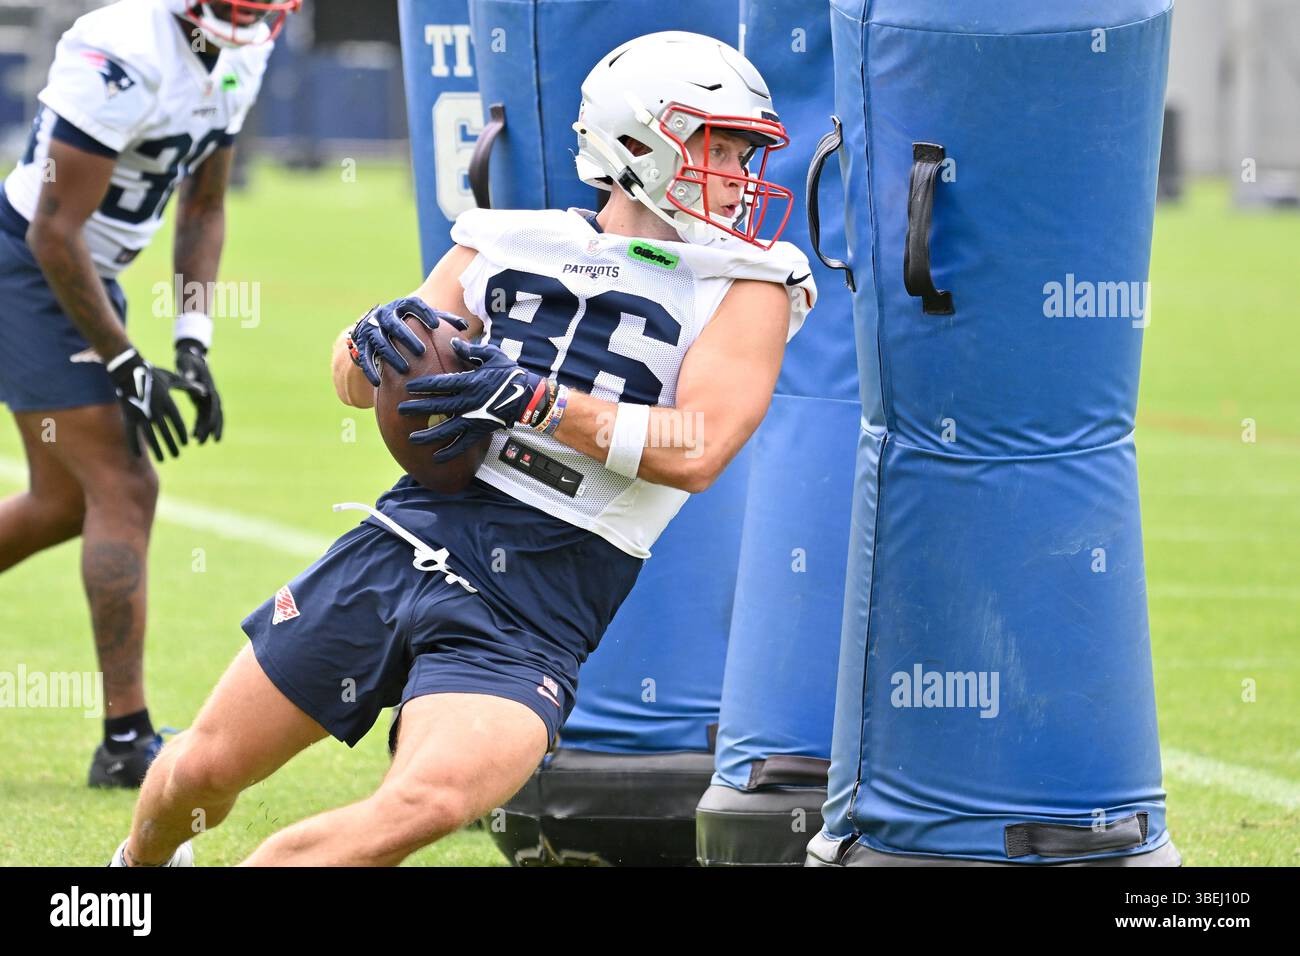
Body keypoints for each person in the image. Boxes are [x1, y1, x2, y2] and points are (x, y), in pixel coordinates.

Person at [110, 29, 817, 866]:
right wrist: (375, 337)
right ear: (636, 140)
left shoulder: (750, 282)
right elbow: (350, 375)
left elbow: (696, 450)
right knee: (196, 773)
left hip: (541, 598)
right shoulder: (507, 239)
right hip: (407, 536)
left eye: (745, 151)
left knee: (426, 802)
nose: (739, 175)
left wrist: (534, 401)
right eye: (719, 146)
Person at [0, 0, 299, 788]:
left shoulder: (242, 49)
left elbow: (203, 204)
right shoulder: (123, 47)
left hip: (88, 274)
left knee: (63, 502)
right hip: (31, 266)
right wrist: (129, 365)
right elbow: (52, 232)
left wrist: (192, 344)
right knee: (125, 484)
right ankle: (126, 740)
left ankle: (126, 738)